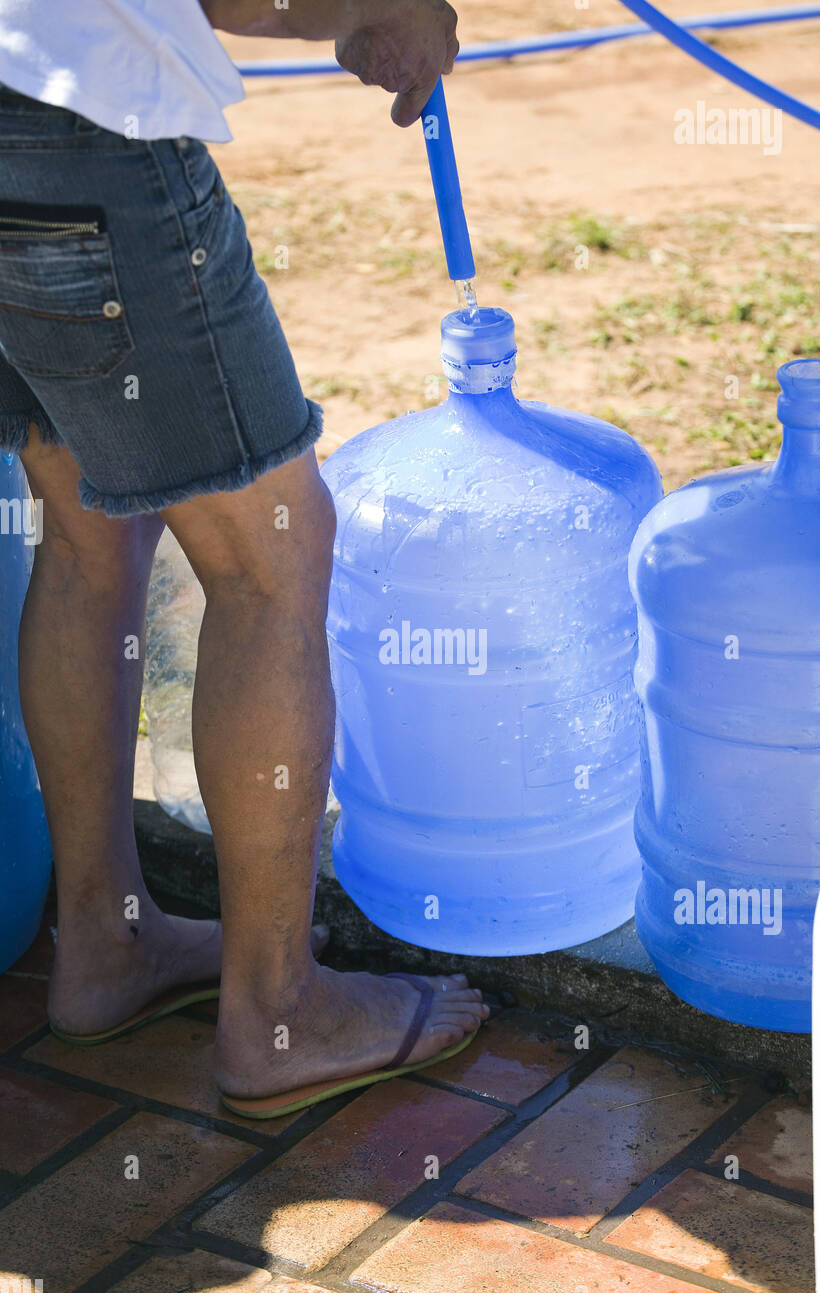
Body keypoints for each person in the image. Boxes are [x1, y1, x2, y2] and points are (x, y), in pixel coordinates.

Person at [0, 0, 487, 1119]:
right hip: (88, 136)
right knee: (270, 554)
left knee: (83, 530)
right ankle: (278, 1015)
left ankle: (104, 946)